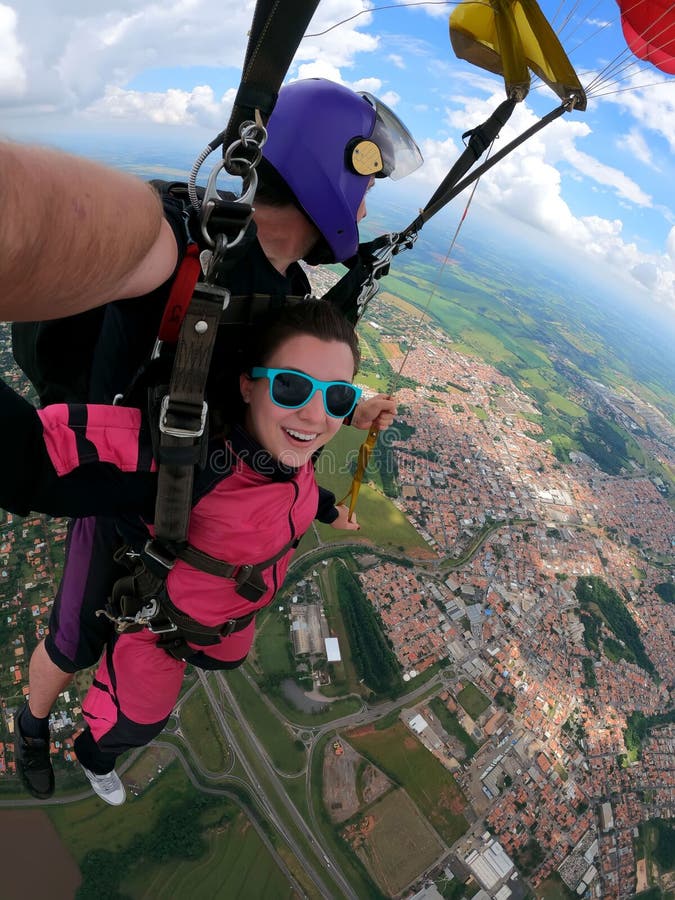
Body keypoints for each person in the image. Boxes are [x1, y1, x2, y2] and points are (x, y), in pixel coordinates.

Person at [7, 78, 422, 802]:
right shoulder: (189, 245)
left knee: (161, 637)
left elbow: (268, 383)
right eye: (363, 189)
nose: (362, 211)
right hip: (126, 484)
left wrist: (345, 407)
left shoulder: (288, 291)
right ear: (331, 174)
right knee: (71, 642)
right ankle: (32, 724)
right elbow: (64, 226)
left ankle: (95, 736)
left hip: (197, 495)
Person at [6, 299, 388, 805]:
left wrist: (329, 509)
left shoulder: (294, 454)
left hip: (224, 619)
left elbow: (295, 492)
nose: (317, 415)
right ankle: (59, 738)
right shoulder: (188, 463)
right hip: (156, 619)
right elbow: (33, 453)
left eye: (336, 397)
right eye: (291, 387)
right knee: (118, 700)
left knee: (226, 657)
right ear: (248, 385)